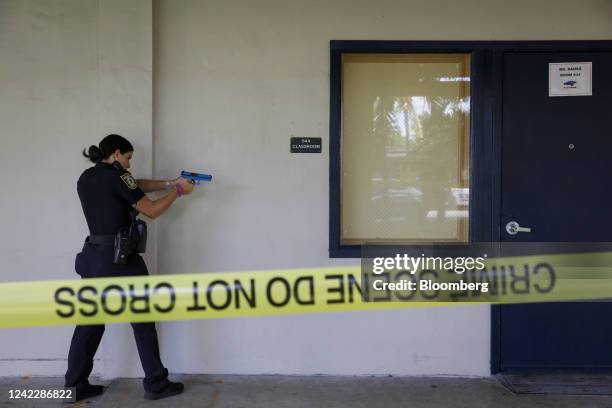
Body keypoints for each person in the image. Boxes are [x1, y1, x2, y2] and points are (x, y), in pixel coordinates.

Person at [65, 134, 194, 401]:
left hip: (92, 258)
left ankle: (75, 386)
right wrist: (178, 191)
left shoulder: (86, 178)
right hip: (121, 259)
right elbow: (153, 210)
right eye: (128, 158)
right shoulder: (118, 177)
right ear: (116, 153)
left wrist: (170, 180)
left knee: (89, 322)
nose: (129, 164)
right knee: (143, 320)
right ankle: (156, 383)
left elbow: (134, 184)